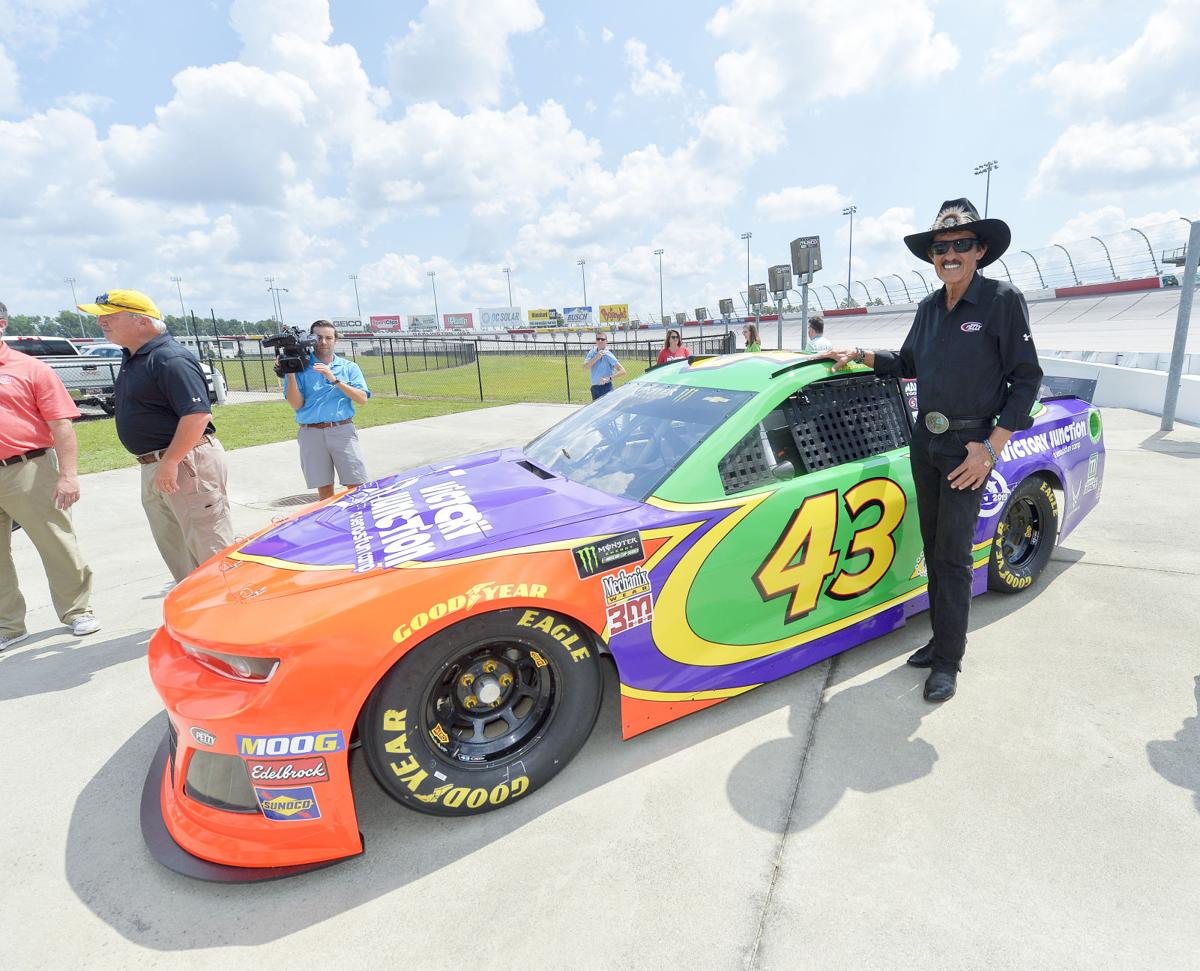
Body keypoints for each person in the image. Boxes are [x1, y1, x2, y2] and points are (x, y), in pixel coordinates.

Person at [817, 198, 1042, 702]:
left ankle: (948, 660)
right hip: (927, 442)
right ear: (932, 257)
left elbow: (1027, 379)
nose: (951, 254)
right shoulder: (928, 308)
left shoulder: (1002, 300)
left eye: (962, 244)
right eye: (942, 248)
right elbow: (907, 362)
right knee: (934, 548)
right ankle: (941, 638)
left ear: (980, 250)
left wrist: (990, 449)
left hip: (970, 448)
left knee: (954, 557)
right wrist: (858, 353)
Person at [77, 289, 235, 583]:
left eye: (109, 315)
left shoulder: (169, 358)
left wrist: (170, 461)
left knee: (210, 550)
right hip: (159, 463)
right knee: (179, 554)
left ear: (142, 321)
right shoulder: (134, 356)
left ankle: (230, 609)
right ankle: (194, 608)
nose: (101, 322)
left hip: (185, 462)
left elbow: (197, 416)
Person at [0, 300, 100, 648]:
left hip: (27, 468)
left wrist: (68, 475)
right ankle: (9, 626)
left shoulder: (31, 369)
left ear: (1, 324)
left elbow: (61, 425)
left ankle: (77, 610)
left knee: (55, 542)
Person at [282, 320, 371, 500]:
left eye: (328, 338)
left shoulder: (349, 367)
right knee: (324, 491)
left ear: (335, 340)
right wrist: (290, 374)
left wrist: (334, 379)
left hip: (342, 430)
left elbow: (362, 399)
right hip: (311, 433)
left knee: (356, 485)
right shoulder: (300, 368)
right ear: (311, 339)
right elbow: (296, 404)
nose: (323, 342)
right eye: (319, 337)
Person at [582, 333, 626, 400]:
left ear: (606, 342)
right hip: (594, 388)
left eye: (602, 339)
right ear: (596, 341)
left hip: (606, 388)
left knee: (608, 407)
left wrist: (608, 378)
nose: (600, 341)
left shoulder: (608, 354)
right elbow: (585, 367)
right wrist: (597, 357)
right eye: (598, 339)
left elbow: (623, 371)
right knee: (596, 407)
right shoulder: (592, 352)